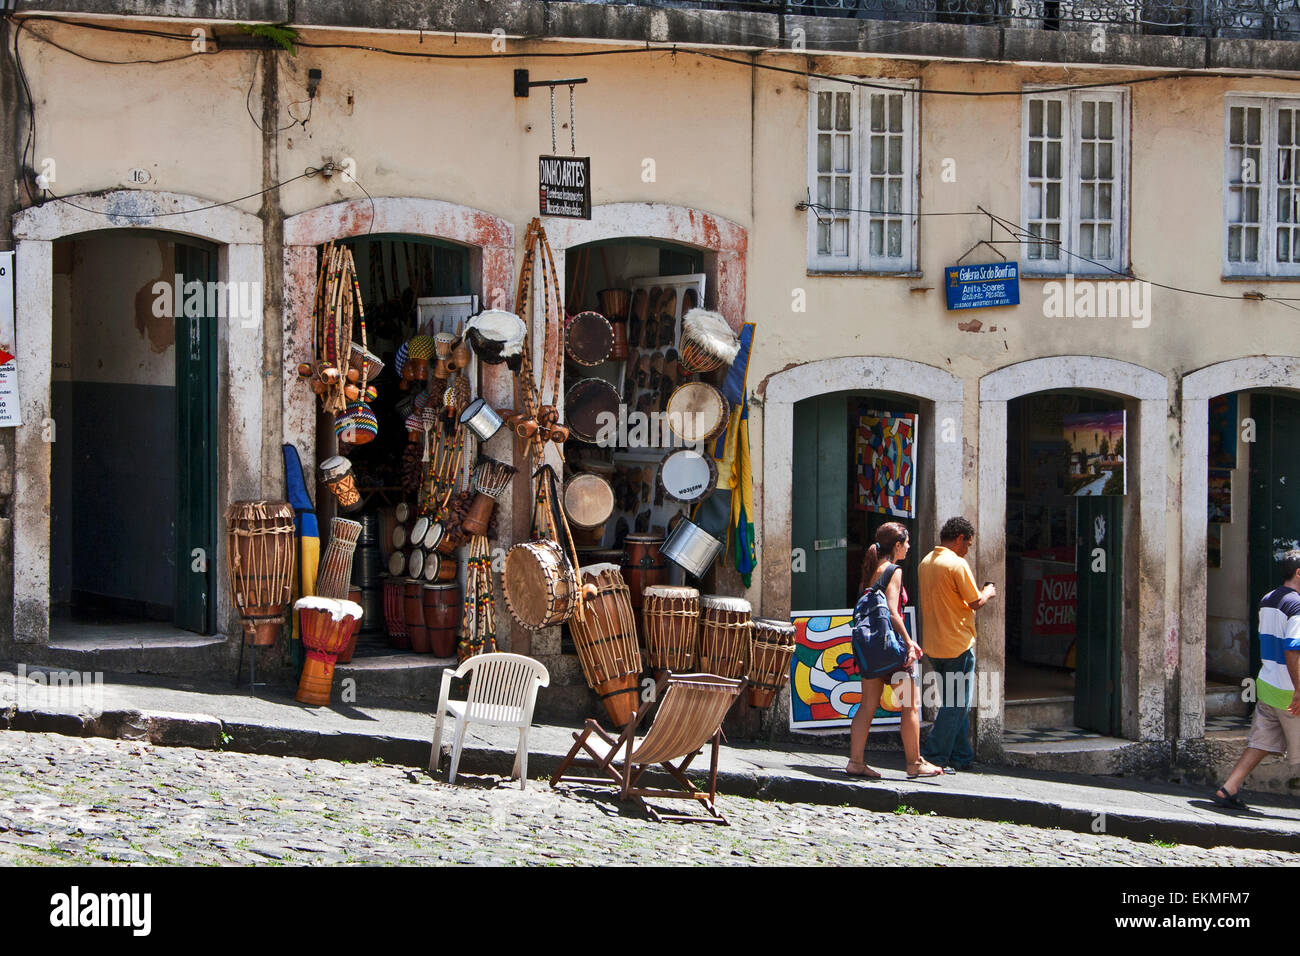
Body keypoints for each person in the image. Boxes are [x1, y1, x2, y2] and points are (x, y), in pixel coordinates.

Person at [846, 522, 945, 780]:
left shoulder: (871, 568)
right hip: (891, 650)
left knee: (867, 705)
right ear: (897, 545)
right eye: (907, 543)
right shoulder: (893, 571)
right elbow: (892, 611)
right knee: (910, 704)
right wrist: (910, 642)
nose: (909, 547)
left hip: (870, 649)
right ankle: (914, 763)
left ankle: (855, 762)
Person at [1212, 550, 1300, 810]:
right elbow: (1293, 648)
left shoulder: (1268, 599)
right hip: (1288, 690)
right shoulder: (1296, 605)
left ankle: (1228, 789)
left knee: (1261, 742)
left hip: (1268, 683)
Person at [916, 516, 996, 772]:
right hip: (957, 644)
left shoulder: (926, 562)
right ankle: (933, 756)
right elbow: (975, 602)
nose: (967, 549)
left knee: (955, 702)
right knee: (956, 704)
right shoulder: (956, 564)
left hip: (934, 645)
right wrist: (988, 592)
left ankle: (962, 756)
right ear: (959, 538)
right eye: (968, 544)